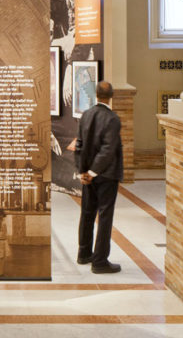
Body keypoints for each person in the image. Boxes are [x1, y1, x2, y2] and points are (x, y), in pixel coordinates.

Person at [74, 80, 123, 273]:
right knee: (104, 216)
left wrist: (82, 172)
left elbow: (79, 145)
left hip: (88, 176)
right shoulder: (112, 119)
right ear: (111, 96)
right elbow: (108, 149)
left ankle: (84, 253)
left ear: (95, 94)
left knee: (87, 214)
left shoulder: (86, 115)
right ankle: (100, 261)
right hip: (106, 176)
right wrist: (94, 172)